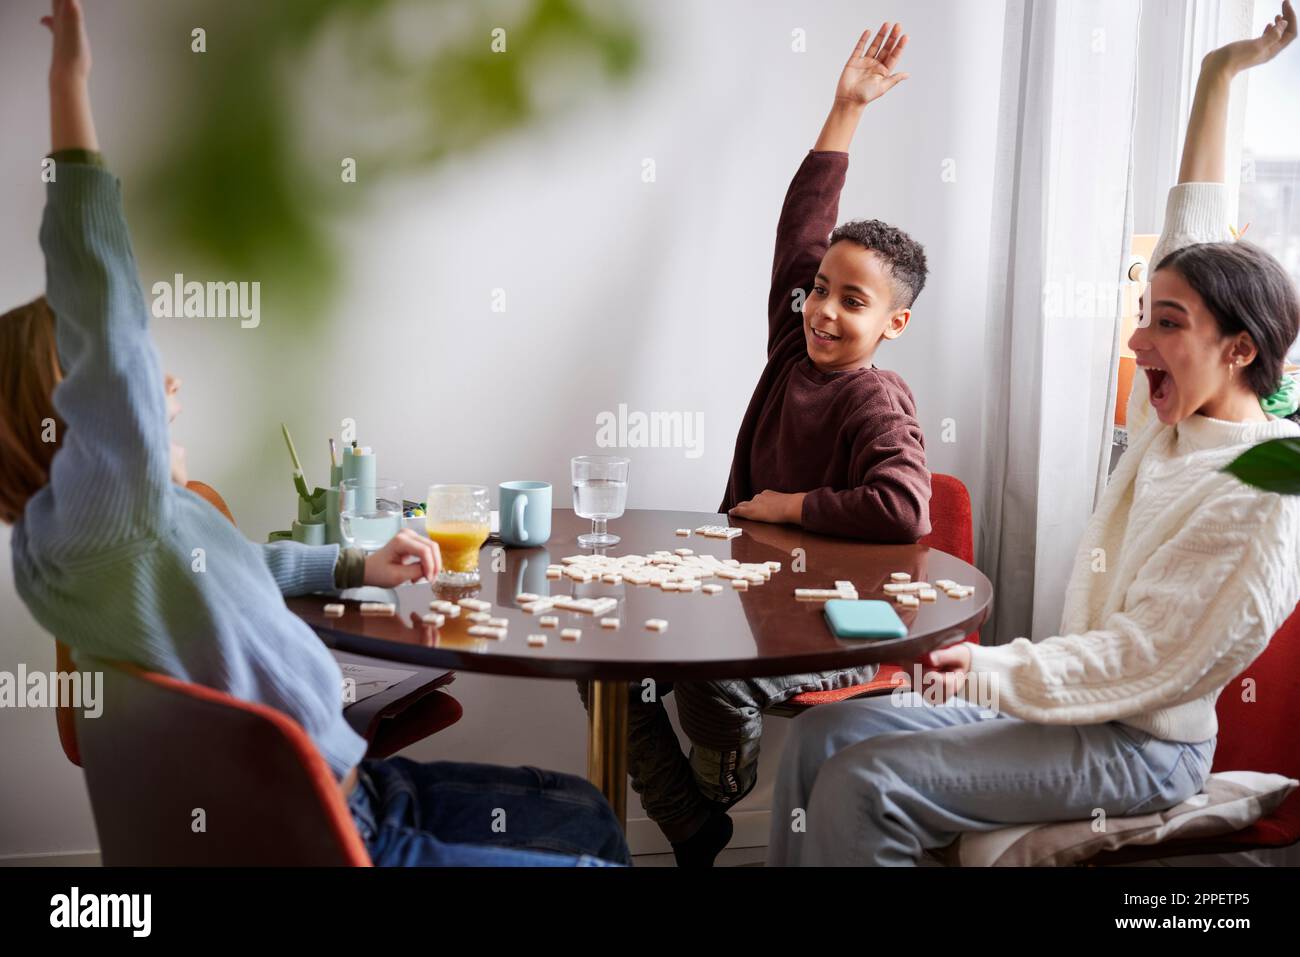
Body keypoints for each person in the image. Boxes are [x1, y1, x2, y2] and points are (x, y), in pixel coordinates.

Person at [4, 0, 628, 868]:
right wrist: (69, 91)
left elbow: (234, 570)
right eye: (133, 385)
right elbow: (108, 324)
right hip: (333, 834)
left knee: (589, 811)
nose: (162, 379)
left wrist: (352, 566)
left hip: (358, 782)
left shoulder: (129, 542)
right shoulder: (99, 528)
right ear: (75, 415)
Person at [767, 4, 1300, 867]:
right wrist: (1218, 75)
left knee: (865, 782)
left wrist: (985, 670)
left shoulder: (1264, 488)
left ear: (1240, 348)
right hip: (1072, 706)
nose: (1136, 343)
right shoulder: (1176, 416)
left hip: (1138, 746)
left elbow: (1144, 661)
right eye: (1142, 316)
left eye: (1163, 324)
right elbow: (1195, 227)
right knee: (824, 739)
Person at [580, 23, 931, 867]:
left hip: (822, 625)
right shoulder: (790, 348)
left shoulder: (876, 396)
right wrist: (844, 109)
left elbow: (903, 505)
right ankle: (694, 824)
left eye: (853, 302)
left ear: (894, 324)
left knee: (706, 677)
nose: (823, 309)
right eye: (819, 292)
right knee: (600, 664)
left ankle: (720, 785)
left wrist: (786, 506)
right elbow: (804, 226)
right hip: (737, 597)